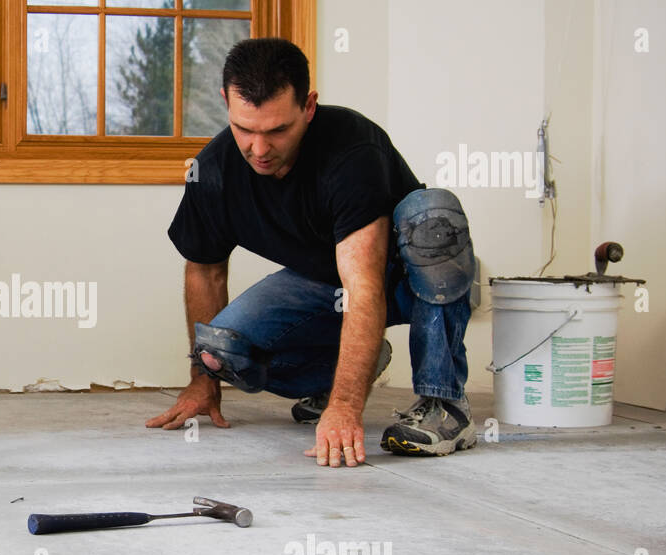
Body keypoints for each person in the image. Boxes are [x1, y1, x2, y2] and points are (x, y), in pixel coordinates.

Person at [147, 37, 477, 466]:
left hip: (405, 283)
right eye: (245, 129)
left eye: (278, 130)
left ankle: (444, 405)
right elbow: (204, 272)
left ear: (308, 106)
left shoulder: (352, 149)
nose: (259, 150)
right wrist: (202, 380)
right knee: (218, 352)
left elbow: (364, 286)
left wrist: (346, 407)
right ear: (226, 101)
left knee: (432, 213)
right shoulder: (212, 171)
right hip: (325, 287)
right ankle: (342, 371)